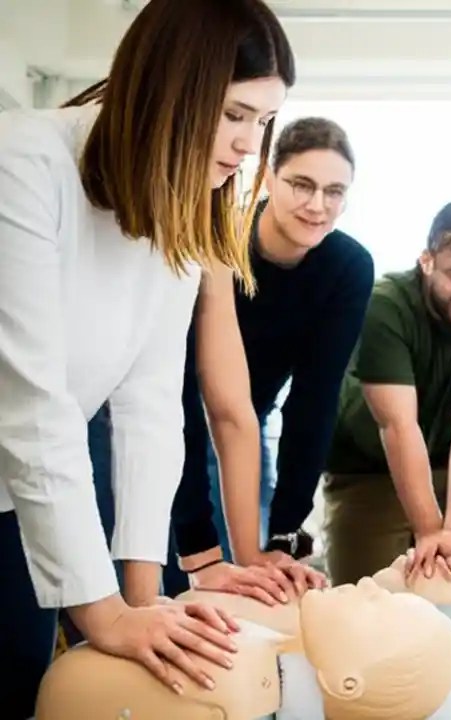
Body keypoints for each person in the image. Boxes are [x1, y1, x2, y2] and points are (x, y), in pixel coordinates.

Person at [0, 0, 295, 715]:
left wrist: (143, 596)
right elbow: (33, 405)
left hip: (18, 493)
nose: (247, 147)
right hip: (28, 455)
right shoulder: (23, 163)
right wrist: (102, 615)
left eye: (262, 122)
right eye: (233, 114)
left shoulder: (185, 203)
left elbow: (150, 404)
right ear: (173, 87)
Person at [166, 117, 374, 599]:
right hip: (170, 422)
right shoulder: (214, 242)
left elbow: (313, 404)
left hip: (247, 430)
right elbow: (177, 396)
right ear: (267, 178)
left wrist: (285, 534)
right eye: (302, 184)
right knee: (180, 575)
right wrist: (196, 537)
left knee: (254, 574)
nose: (317, 205)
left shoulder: (348, 267)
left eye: (334, 191)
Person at [322, 201, 451, 586]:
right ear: (427, 260)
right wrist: (429, 530)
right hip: (365, 474)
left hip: (448, 471)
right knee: (369, 616)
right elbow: (398, 425)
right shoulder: (385, 303)